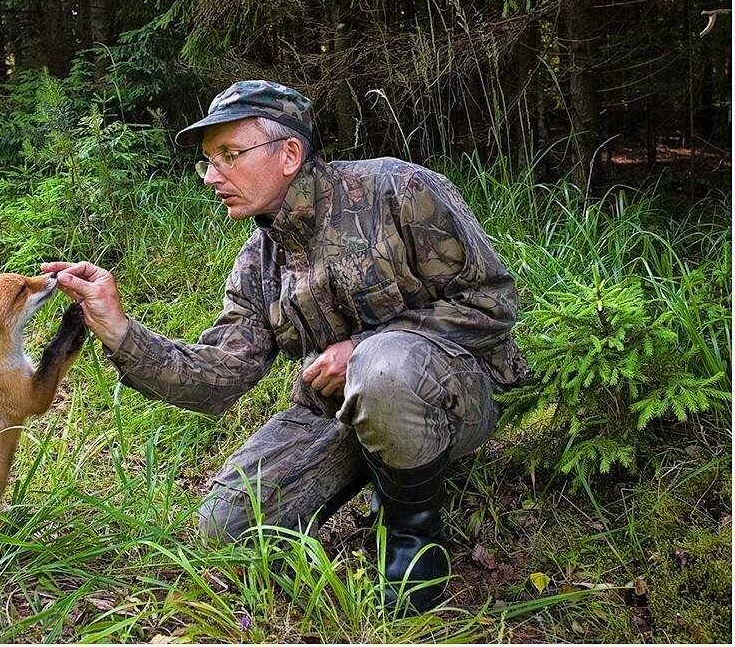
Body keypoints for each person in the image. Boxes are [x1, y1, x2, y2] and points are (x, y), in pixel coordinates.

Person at [42, 80, 527, 613]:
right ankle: (375, 462)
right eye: (207, 160)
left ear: (289, 153)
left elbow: (491, 304)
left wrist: (362, 348)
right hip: (336, 412)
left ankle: (413, 541)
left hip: (458, 393)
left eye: (229, 155)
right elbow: (218, 376)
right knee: (223, 525)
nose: (210, 176)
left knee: (384, 366)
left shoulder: (398, 191)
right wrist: (117, 329)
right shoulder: (258, 264)